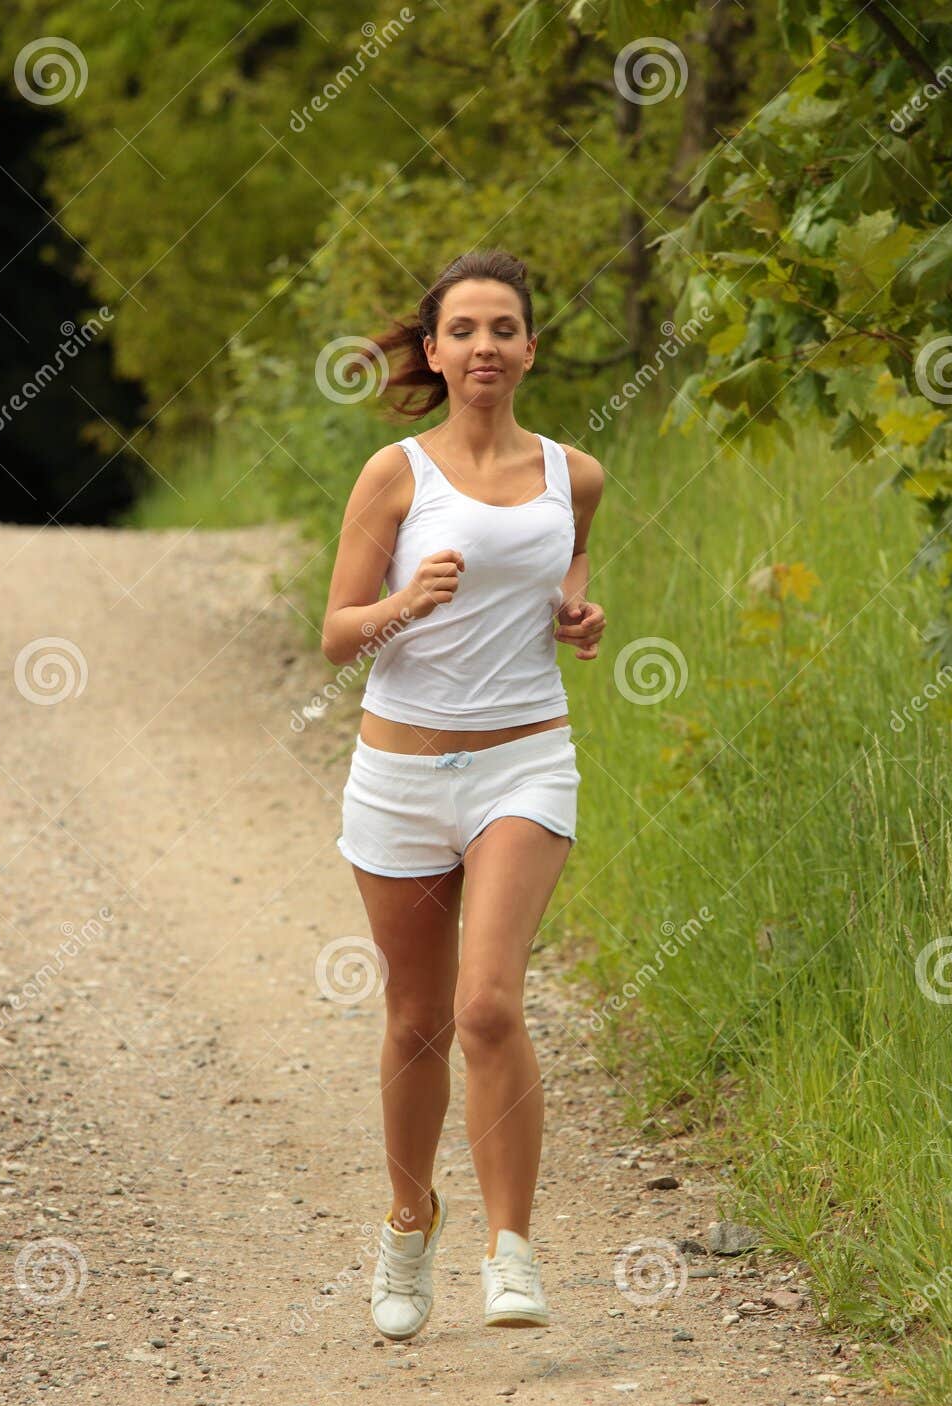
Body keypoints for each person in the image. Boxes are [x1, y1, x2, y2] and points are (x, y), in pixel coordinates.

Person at [321, 248, 606, 1342]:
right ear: (432, 352)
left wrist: (577, 616)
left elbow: (564, 581)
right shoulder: (396, 474)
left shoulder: (573, 474)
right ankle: (408, 1219)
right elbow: (336, 632)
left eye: (505, 328)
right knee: (413, 1019)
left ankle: (511, 1251)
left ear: (529, 348)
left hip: (522, 760)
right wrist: (403, 602)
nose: (484, 346)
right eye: (464, 330)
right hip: (398, 772)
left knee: (487, 1005)